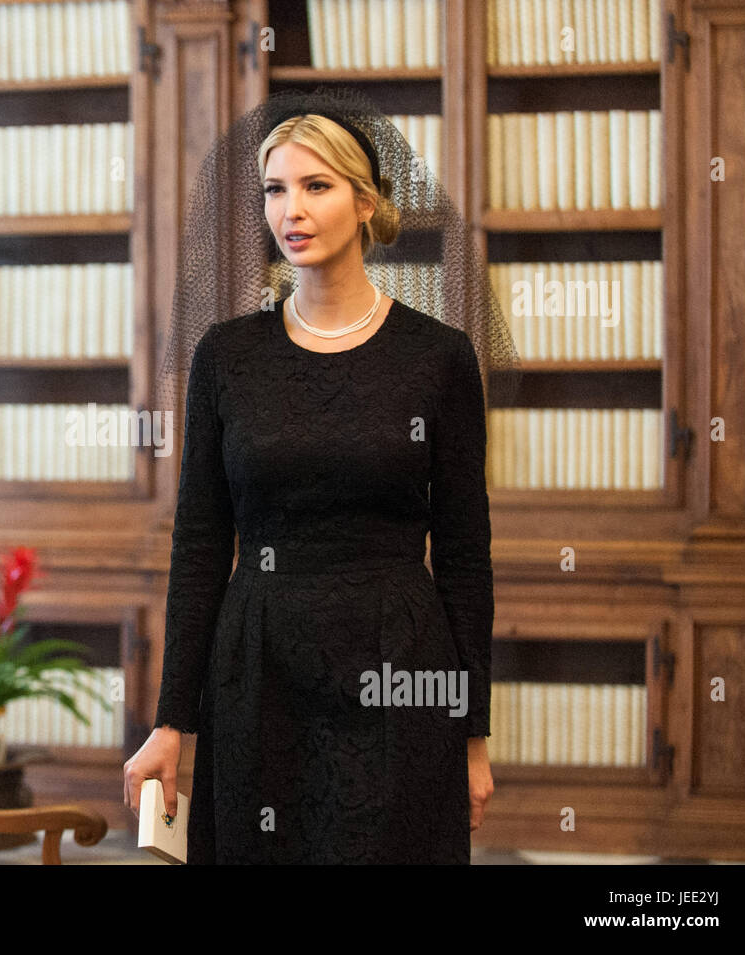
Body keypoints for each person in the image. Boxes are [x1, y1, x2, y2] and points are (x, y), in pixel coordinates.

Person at [124, 87, 520, 863]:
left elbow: (467, 553)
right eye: (275, 189)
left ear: (367, 202)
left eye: (316, 186)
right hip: (260, 669)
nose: (289, 210)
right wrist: (172, 720)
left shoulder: (437, 357)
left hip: (400, 672)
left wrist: (473, 732)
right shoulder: (227, 355)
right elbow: (200, 544)